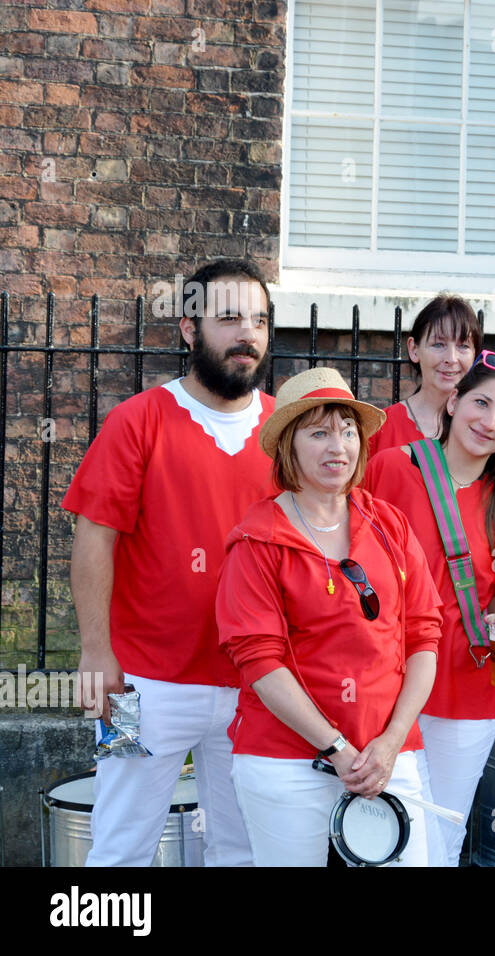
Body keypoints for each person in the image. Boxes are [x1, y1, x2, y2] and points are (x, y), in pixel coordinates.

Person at [63, 258, 275, 867]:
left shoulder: (288, 431)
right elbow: (94, 538)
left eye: (259, 319)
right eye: (230, 316)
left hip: (254, 685)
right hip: (138, 685)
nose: (248, 333)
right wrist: (96, 653)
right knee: (120, 843)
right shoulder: (138, 419)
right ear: (188, 328)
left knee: (243, 849)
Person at [215, 368, 444, 867]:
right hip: (285, 761)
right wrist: (338, 748)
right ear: (288, 449)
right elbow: (259, 662)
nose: (336, 446)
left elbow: (424, 637)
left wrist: (388, 742)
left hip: (389, 755)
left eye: (346, 431)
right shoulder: (256, 541)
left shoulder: (390, 525)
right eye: (318, 432)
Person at [366, 353, 495, 866]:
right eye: (482, 403)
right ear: (453, 400)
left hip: (467, 689)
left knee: (442, 839)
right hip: (389, 684)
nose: (490, 422)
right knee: (385, 840)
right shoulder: (392, 467)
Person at [369, 294, 484, 455]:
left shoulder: (485, 430)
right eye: (438, 344)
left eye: (463, 346)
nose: (451, 359)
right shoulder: (380, 429)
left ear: (475, 355)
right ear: (414, 350)